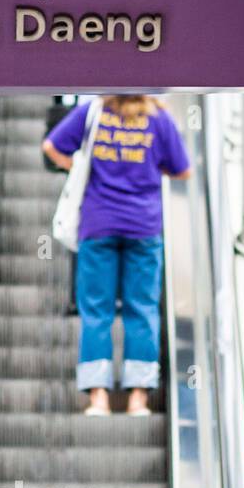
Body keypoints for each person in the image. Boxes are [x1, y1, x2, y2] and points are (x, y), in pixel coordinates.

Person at [42, 94, 191, 417]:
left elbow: (51, 146)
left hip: (98, 224)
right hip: (144, 227)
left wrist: (80, 169)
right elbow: (183, 170)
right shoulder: (159, 119)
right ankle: (139, 399)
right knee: (143, 309)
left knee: (96, 311)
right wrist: (150, 168)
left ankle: (99, 400)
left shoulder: (95, 112)